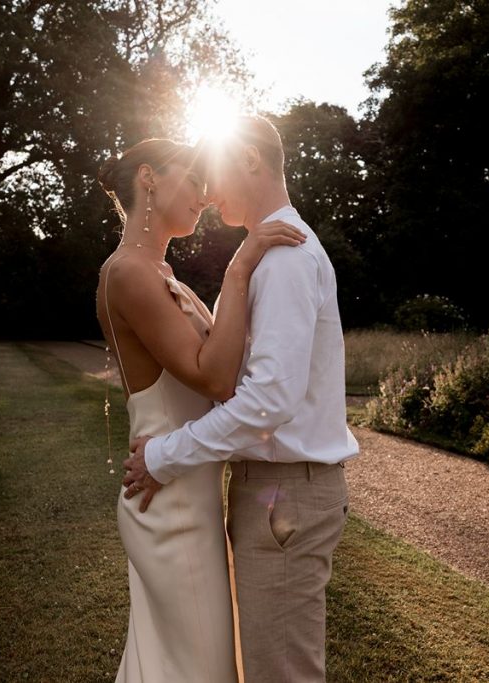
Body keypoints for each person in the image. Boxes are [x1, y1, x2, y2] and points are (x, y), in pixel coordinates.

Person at [123, 116, 360, 683]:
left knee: (282, 675)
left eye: (212, 173)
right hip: (279, 496)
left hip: (286, 500)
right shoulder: (270, 253)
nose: (205, 193)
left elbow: (267, 402)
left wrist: (162, 455)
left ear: (251, 160)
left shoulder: (284, 257)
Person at [95, 137, 306, 682]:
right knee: (200, 669)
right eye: (193, 179)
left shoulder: (167, 278)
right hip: (169, 503)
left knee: (184, 665)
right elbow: (213, 376)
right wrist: (240, 270)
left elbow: (230, 377)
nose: (206, 195)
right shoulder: (128, 273)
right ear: (149, 177)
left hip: (190, 491)